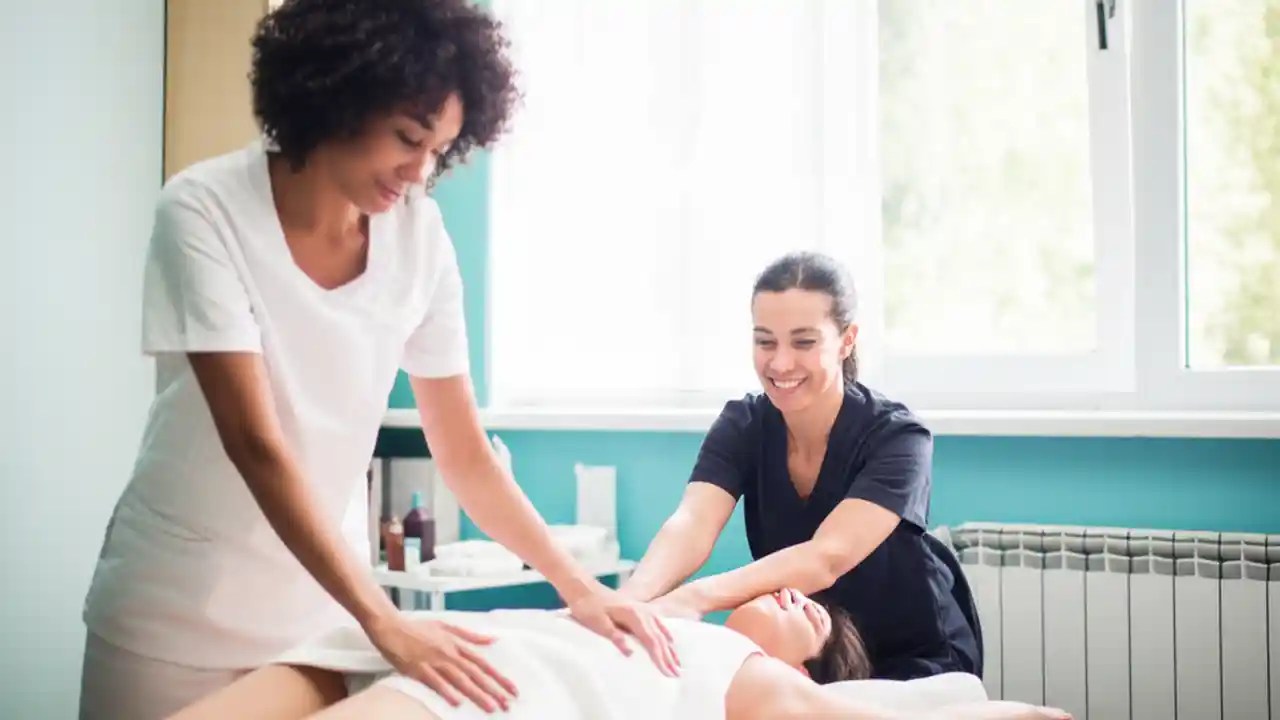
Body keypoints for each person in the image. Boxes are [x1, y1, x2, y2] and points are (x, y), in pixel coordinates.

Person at [79, 1, 674, 717]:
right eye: (407, 139)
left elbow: (463, 452)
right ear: (337, 98)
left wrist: (579, 587)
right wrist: (383, 619)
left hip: (317, 613)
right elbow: (255, 444)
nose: (420, 172)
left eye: (440, 150)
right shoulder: (204, 210)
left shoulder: (419, 241)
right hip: (175, 611)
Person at [621, 251, 982, 681]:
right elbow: (692, 523)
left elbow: (826, 557)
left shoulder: (897, 437)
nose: (780, 363)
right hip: (812, 657)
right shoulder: (745, 424)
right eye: (765, 341)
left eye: (804, 342)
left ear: (847, 339)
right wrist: (631, 600)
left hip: (914, 652)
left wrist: (695, 599)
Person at [167, 589, 1070, 720]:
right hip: (463, 635)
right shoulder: (673, 618)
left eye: (817, 624)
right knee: (321, 667)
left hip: (521, 678)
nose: (803, 602)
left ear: (802, 668)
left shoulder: (742, 676)